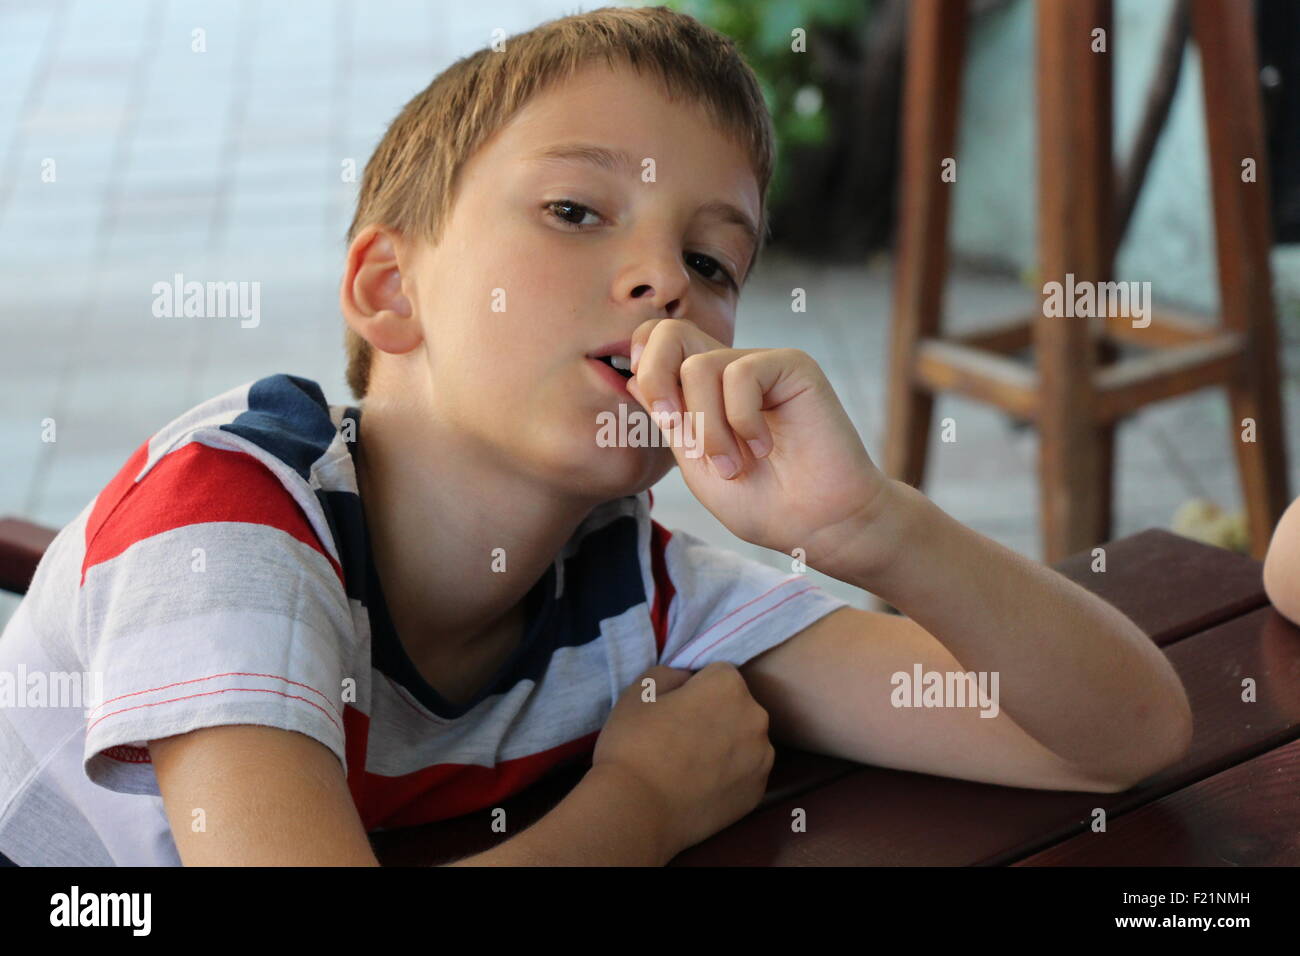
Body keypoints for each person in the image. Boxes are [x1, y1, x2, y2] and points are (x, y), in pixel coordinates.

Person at [0, 6, 1192, 867]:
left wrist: (868, 526)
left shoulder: (637, 586)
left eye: (711, 257)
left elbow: (1115, 740)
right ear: (389, 289)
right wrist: (637, 807)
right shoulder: (224, 522)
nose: (660, 279)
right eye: (576, 210)